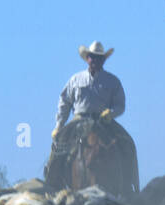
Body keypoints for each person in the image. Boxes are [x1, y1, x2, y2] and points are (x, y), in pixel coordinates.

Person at [45, 40, 132, 190]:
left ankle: (130, 184)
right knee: (58, 145)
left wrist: (111, 114)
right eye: (92, 57)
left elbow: (120, 105)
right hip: (79, 119)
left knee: (127, 143)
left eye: (99, 58)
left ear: (103, 60)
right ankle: (51, 181)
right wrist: (59, 125)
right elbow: (64, 102)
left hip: (104, 120)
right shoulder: (76, 79)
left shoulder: (112, 81)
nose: (95, 60)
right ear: (87, 58)